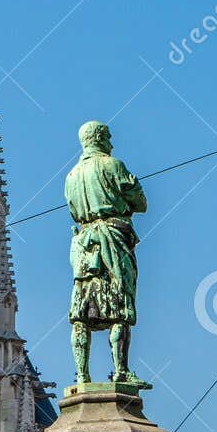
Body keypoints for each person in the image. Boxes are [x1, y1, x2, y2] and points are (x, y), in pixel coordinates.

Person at [65, 121, 149, 390]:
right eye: (109, 137)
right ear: (100, 138)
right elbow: (141, 203)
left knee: (80, 312)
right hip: (113, 239)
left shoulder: (71, 176)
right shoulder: (114, 165)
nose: (111, 143)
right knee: (120, 308)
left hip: (83, 245)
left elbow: (73, 210)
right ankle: (121, 371)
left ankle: (81, 375)